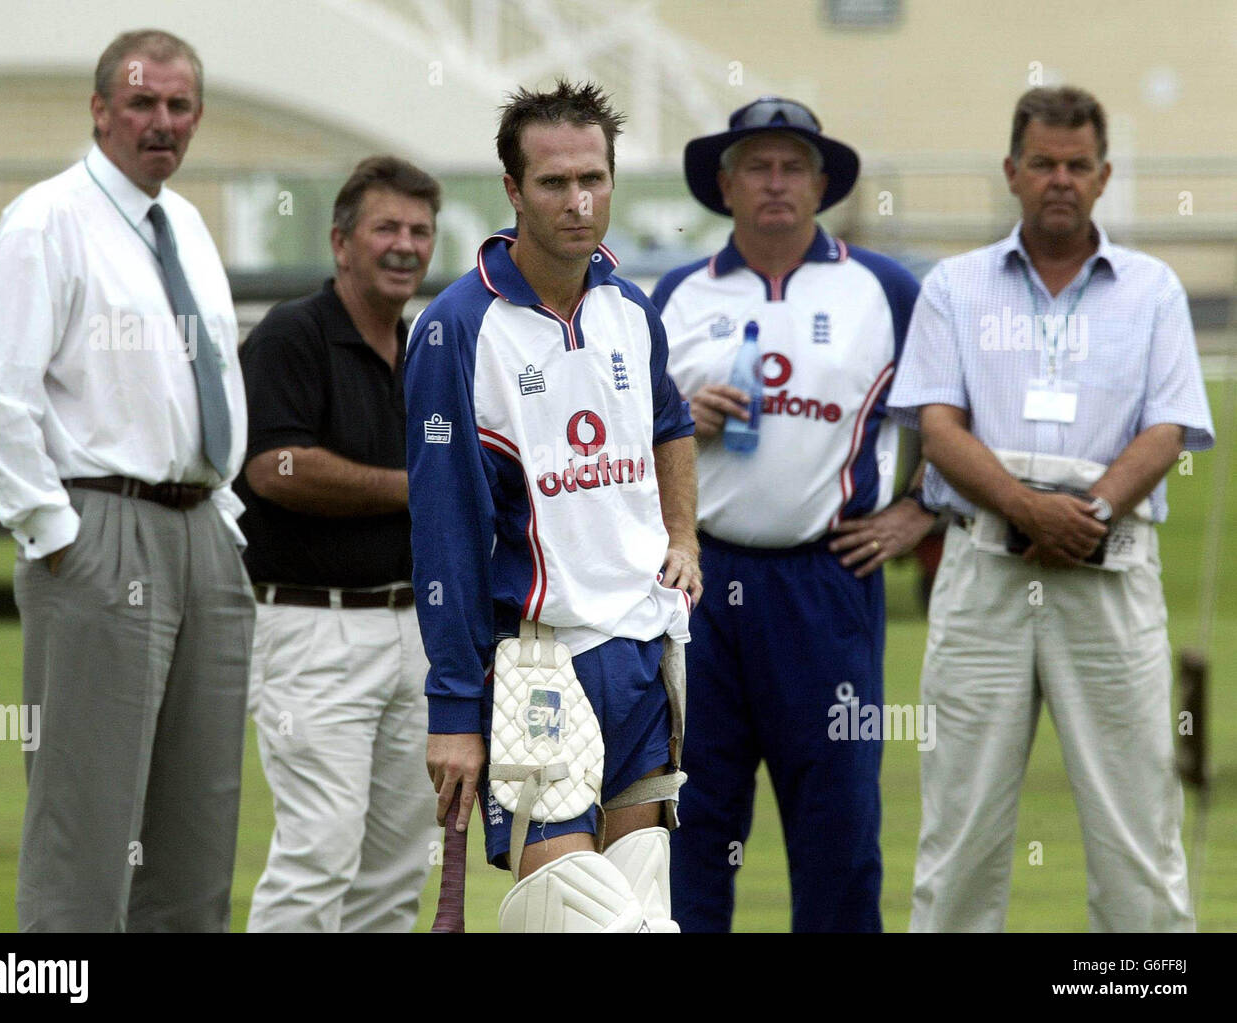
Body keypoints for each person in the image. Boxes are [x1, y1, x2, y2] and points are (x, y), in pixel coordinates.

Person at [888, 86, 1213, 932]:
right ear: (1012, 172)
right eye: (1043, 163)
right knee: (959, 837)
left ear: (1104, 176)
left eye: (1077, 164)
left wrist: (1090, 511)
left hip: (1110, 571)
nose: (1060, 179)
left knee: (1137, 832)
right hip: (987, 569)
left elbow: (1169, 426)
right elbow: (938, 426)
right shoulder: (955, 287)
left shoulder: (1152, 290)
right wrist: (1032, 510)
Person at [0, 29, 253, 931]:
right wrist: (56, 534)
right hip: (99, 524)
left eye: (178, 106)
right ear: (100, 110)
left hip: (204, 532)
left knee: (198, 831)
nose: (161, 122)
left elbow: (207, 380)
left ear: (196, 116)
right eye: (141, 103)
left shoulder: (189, 226)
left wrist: (227, 517)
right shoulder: (47, 220)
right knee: (84, 825)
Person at [405, 79, 700, 932]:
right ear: (511, 190)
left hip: (644, 649)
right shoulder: (456, 329)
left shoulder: (630, 308)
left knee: (645, 904)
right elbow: (446, 532)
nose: (578, 202)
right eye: (553, 183)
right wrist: (456, 711)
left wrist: (683, 535)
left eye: (594, 179)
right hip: (537, 664)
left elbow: (672, 421)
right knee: (588, 922)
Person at [653, 97, 931, 932]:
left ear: (821, 184)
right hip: (701, 582)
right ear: (726, 185)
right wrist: (675, 421)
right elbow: (619, 443)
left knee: (838, 824)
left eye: (793, 167)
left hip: (827, 581)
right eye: (758, 167)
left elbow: (955, 414)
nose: (776, 183)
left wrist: (922, 511)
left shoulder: (883, 289)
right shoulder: (672, 295)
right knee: (690, 819)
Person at [236, 156, 441, 932]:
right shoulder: (293, 334)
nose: (405, 245)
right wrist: (414, 491)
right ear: (341, 242)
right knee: (319, 852)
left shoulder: (423, 346)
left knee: (393, 872)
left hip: (414, 631)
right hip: (312, 629)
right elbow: (276, 468)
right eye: (386, 227)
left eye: (420, 231)